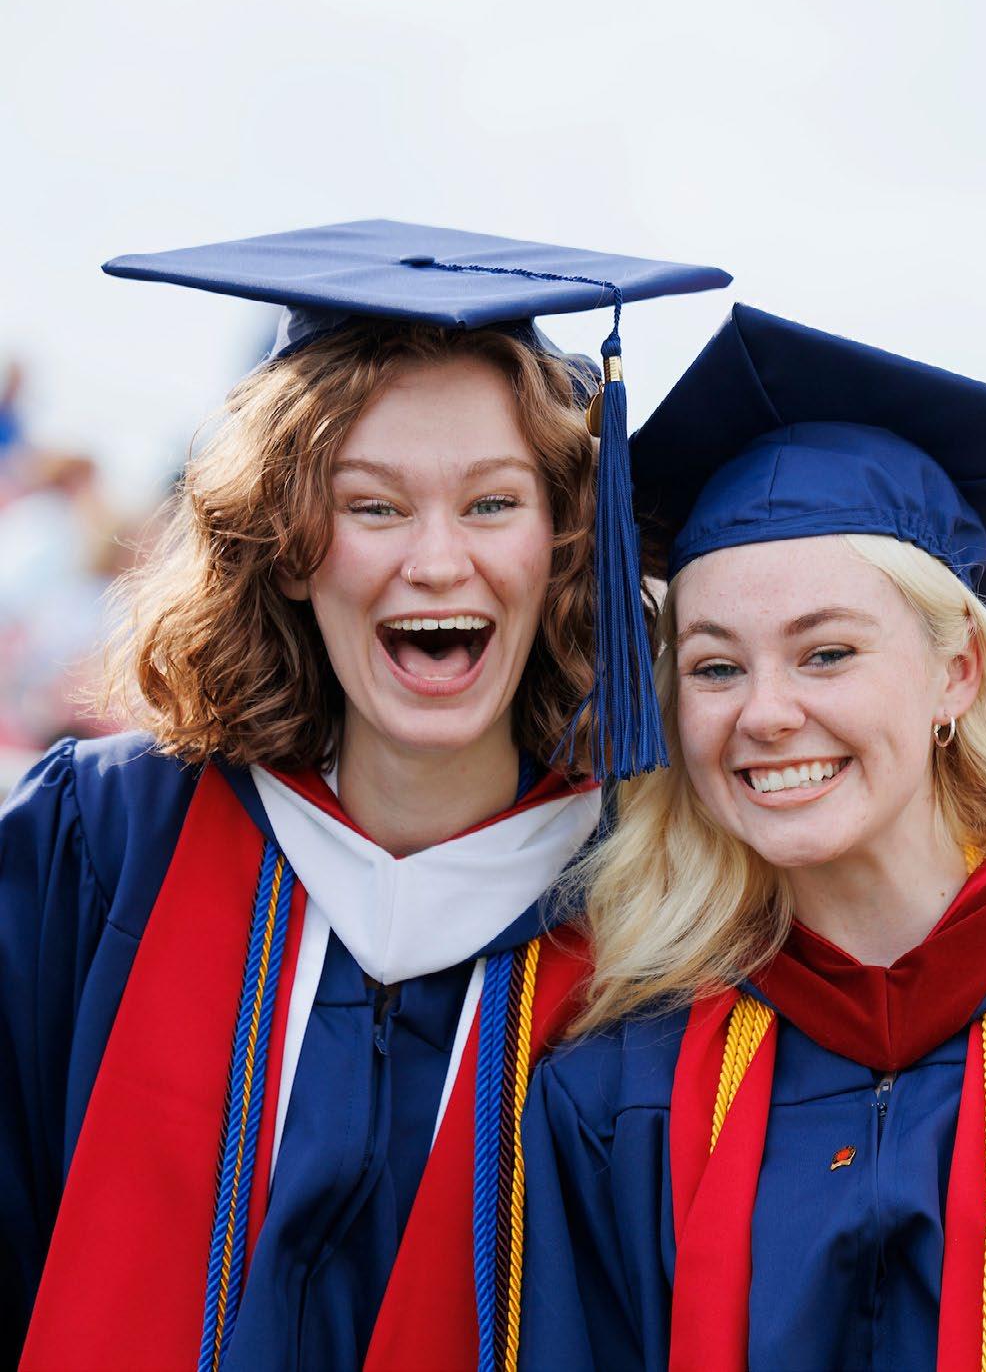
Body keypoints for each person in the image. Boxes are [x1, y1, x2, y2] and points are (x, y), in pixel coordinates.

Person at [0, 220, 729, 1371]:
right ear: (287, 544)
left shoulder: (664, 906)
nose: (436, 561)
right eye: (372, 506)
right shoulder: (99, 846)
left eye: (492, 504)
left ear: (565, 540)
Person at [519, 304, 986, 1371]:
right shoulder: (621, 1089)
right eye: (715, 666)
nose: (766, 712)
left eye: (825, 653)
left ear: (956, 672)